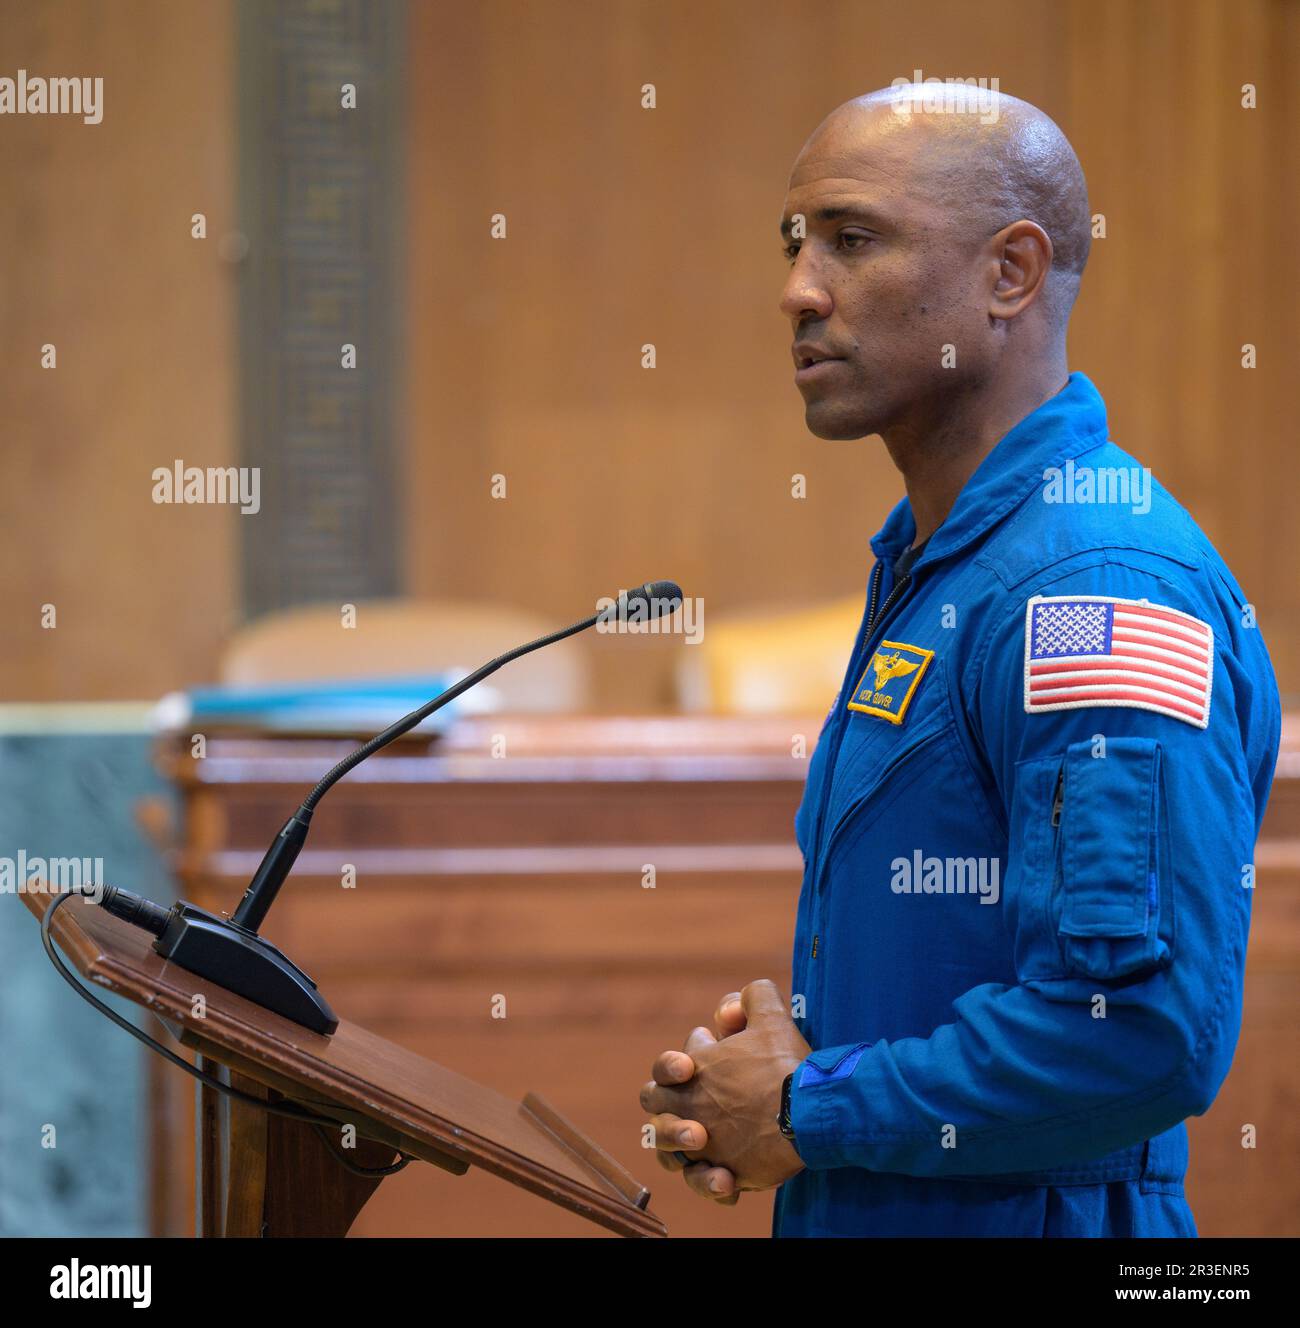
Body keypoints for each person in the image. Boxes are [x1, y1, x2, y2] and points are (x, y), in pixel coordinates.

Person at [637, 83, 1281, 1237]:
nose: (796, 289)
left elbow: (1132, 1030)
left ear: (1010, 275)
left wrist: (805, 1104)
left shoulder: (1089, 590)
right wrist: (772, 1078)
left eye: (851, 238)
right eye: (794, 243)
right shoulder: (949, 563)